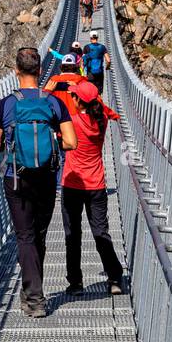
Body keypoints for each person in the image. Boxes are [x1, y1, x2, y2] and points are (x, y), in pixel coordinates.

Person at [0, 47, 77, 318]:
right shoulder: (53, 102)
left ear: (16, 71)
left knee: (24, 236)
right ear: (40, 71)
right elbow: (71, 142)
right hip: (47, 178)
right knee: (37, 235)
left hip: (16, 178)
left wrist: (12, 143)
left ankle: (34, 298)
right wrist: (52, 141)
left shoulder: (6, 104)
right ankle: (32, 293)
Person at [60, 80, 124, 296]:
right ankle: (115, 277)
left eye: (74, 96)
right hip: (96, 184)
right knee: (100, 232)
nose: (72, 98)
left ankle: (75, 283)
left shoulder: (72, 122)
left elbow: (60, 137)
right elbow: (105, 110)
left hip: (72, 184)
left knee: (72, 234)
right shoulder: (102, 119)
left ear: (78, 100)